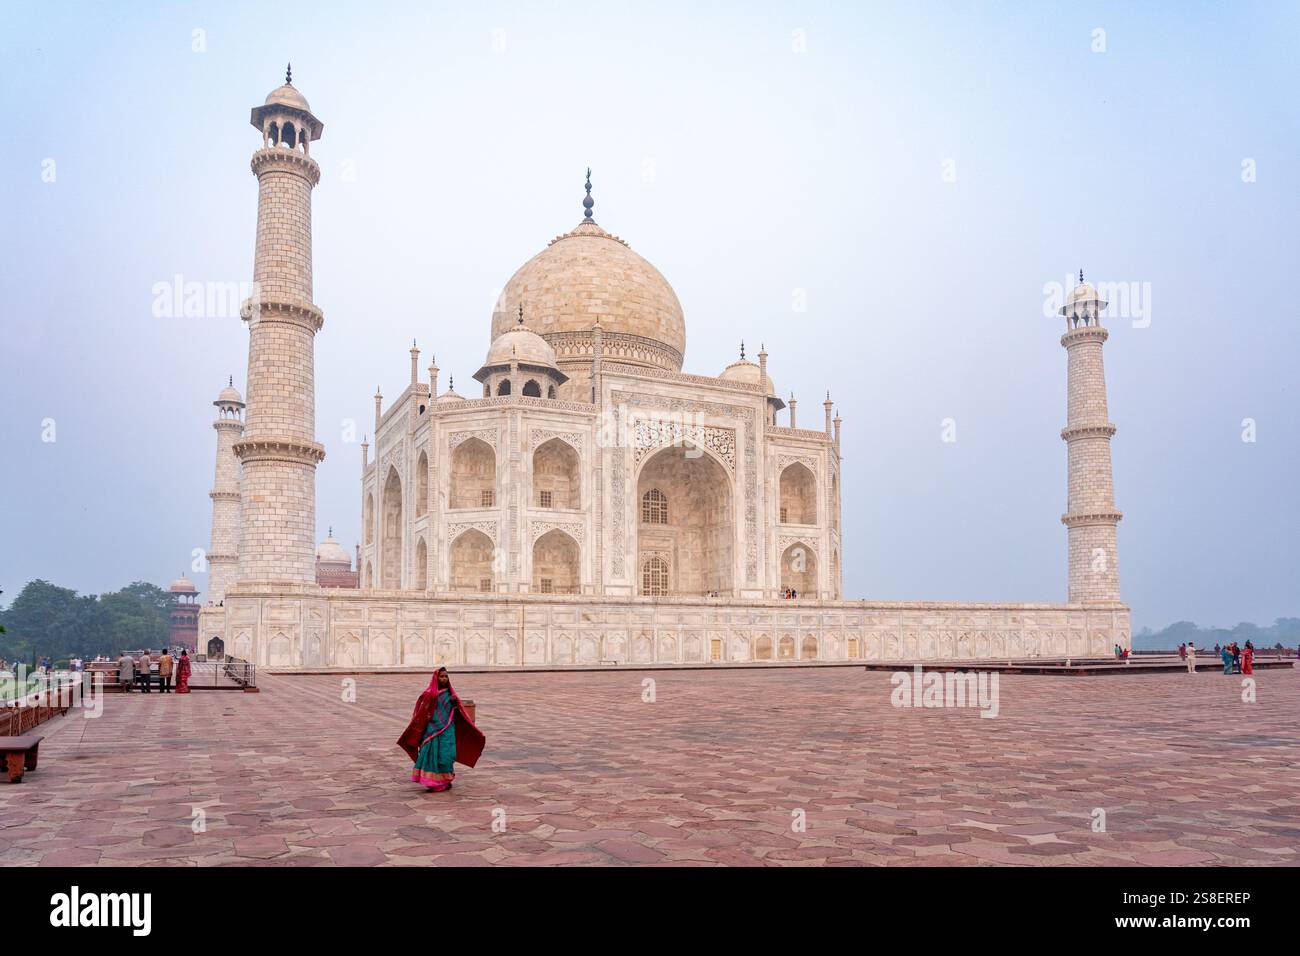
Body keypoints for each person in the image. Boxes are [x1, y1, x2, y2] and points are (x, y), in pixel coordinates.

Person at [398, 667, 485, 793]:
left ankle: (445, 779)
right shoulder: (429, 694)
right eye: (441, 676)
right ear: (436, 678)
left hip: (447, 729)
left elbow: (457, 713)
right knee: (432, 755)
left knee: (447, 755)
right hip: (432, 730)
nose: (444, 679)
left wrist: (454, 704)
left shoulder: (450, 694)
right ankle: (433, 782)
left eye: (446, 676)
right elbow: (422, 713)